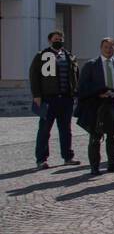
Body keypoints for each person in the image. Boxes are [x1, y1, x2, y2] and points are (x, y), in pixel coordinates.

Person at [30, 30, 80, 170]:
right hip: (48, 99)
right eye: (56, 39)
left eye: (60, 39)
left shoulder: (69, 56)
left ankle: (68, 157)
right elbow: (34, 76)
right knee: (44, 129)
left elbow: (76, 76)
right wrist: (36, 95)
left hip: (66, 98)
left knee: (66, 129)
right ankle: (41, 159)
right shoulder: (42, 56)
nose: (58, 41)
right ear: (50, 40)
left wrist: (75, 93)